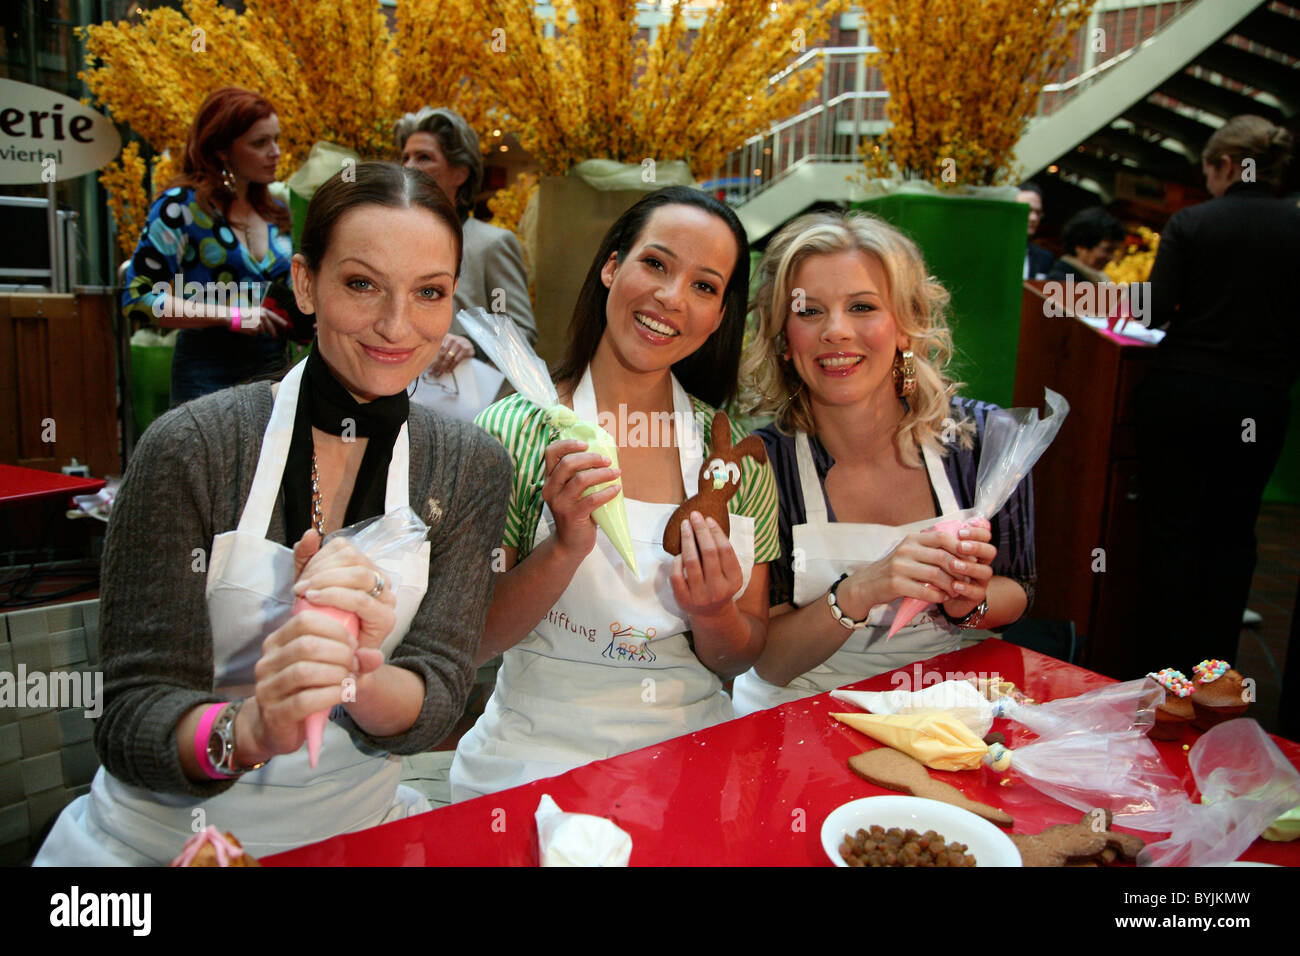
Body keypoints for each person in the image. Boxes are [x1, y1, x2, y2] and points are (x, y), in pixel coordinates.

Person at [36, 163, 511, 865]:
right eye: (361, 283)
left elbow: (440, 690)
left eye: (429, 293)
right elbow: (132, 720)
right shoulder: (193, 447)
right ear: (304, 283)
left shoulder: (470, 466)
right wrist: (254, 728)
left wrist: (358, 676)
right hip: (163, 843)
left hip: (359, 836)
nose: (396, 324)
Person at [449, 186, 780, 801]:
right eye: (655, 264)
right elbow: (470, 642)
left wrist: (715, 614)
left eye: (705, 287)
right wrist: (565, 547)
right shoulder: (512, 433)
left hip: (691, 755)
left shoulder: (735, 461)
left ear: (718, 316)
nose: (671, 298)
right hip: (530, 754)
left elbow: (741, 658)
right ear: (610, 267)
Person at [731, 211, 1035, 715]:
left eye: (862, 307)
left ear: (905, 326)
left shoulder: (984, 442)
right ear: (785, 339)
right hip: (798, 716)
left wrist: (967, 604)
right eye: (808, 312)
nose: (836, 331)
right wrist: (863, 589)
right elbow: (770, 662)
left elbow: (1020, 589)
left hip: (953, 708)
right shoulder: (762, 467)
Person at [1134, 115, 1299, 677]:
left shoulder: (1193, 223)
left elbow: (1153, 312)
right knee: (1233, 531)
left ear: (1226, 164)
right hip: (1261, 400)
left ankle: (1158, 667)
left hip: (1183, 394)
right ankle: (1215, 670)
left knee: (1170, 528)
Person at [121, 87, 295, 406]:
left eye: (276, 139)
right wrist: (229, 316)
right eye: (260, 143)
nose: (276, 152)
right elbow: (139, 299)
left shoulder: (276, 209)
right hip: (208, 375)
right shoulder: (180, 207)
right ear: (221, 150)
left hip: (277, 376)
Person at [394, 106, 537, 376]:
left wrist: (474, 345)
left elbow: (521, 331)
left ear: (460, 173)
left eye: (424, 157)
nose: (409, 167)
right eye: (406, 157)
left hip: (459, 404)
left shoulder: (490, 244)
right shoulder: (390, 240)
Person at [1044, 206, 1124, 283]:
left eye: (1113, 251)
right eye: (1107, 250)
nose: (1111, 258)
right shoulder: (1060, 281)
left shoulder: (1099, 280)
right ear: (1081, 246)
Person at [1018, 182, 1053, 280]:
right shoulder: (991, 250)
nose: (1034, 218)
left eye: (1038, 212)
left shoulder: (1045, 258)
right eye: (1027, 210)